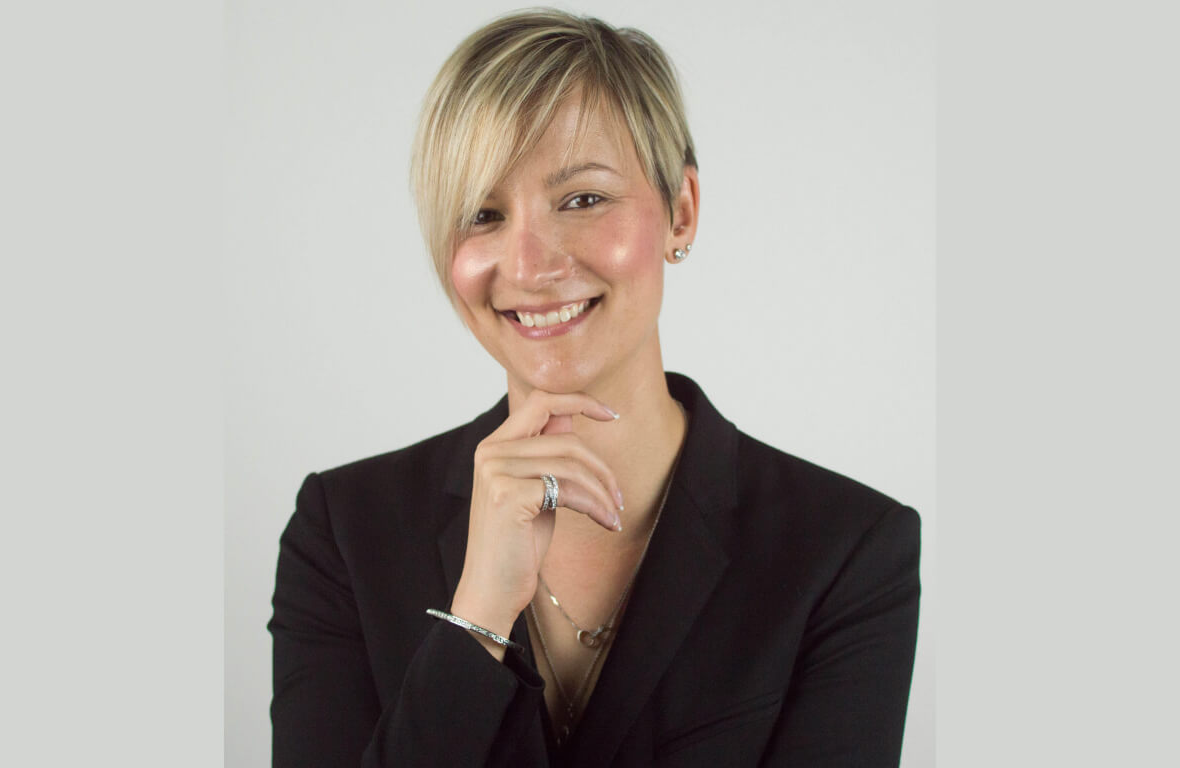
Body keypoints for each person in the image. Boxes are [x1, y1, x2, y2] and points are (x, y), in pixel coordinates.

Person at [269, 9, 920, 767]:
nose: (530, 263)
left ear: (681, 211)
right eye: (483, 213)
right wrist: (478, 614)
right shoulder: (342, 533)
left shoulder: (845, 550)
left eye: (582, 199)